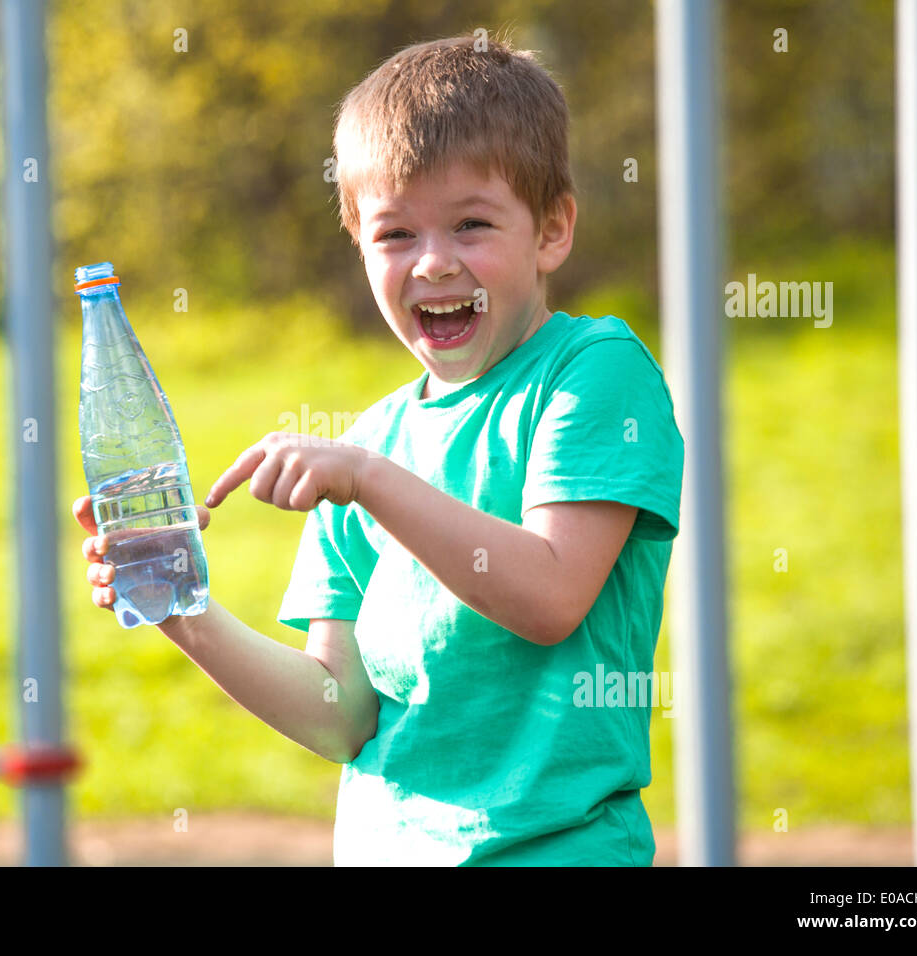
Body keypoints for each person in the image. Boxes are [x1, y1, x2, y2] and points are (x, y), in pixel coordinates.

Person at [74, 31, 683, 866]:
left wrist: (368, 481)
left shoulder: (594, 375)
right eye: (396, 234)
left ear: (552, 231)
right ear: (358, 243)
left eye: (471, 224)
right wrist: (181, 610)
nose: (434, 263)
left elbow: (549, 597)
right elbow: (341, 713)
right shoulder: (370, 443)